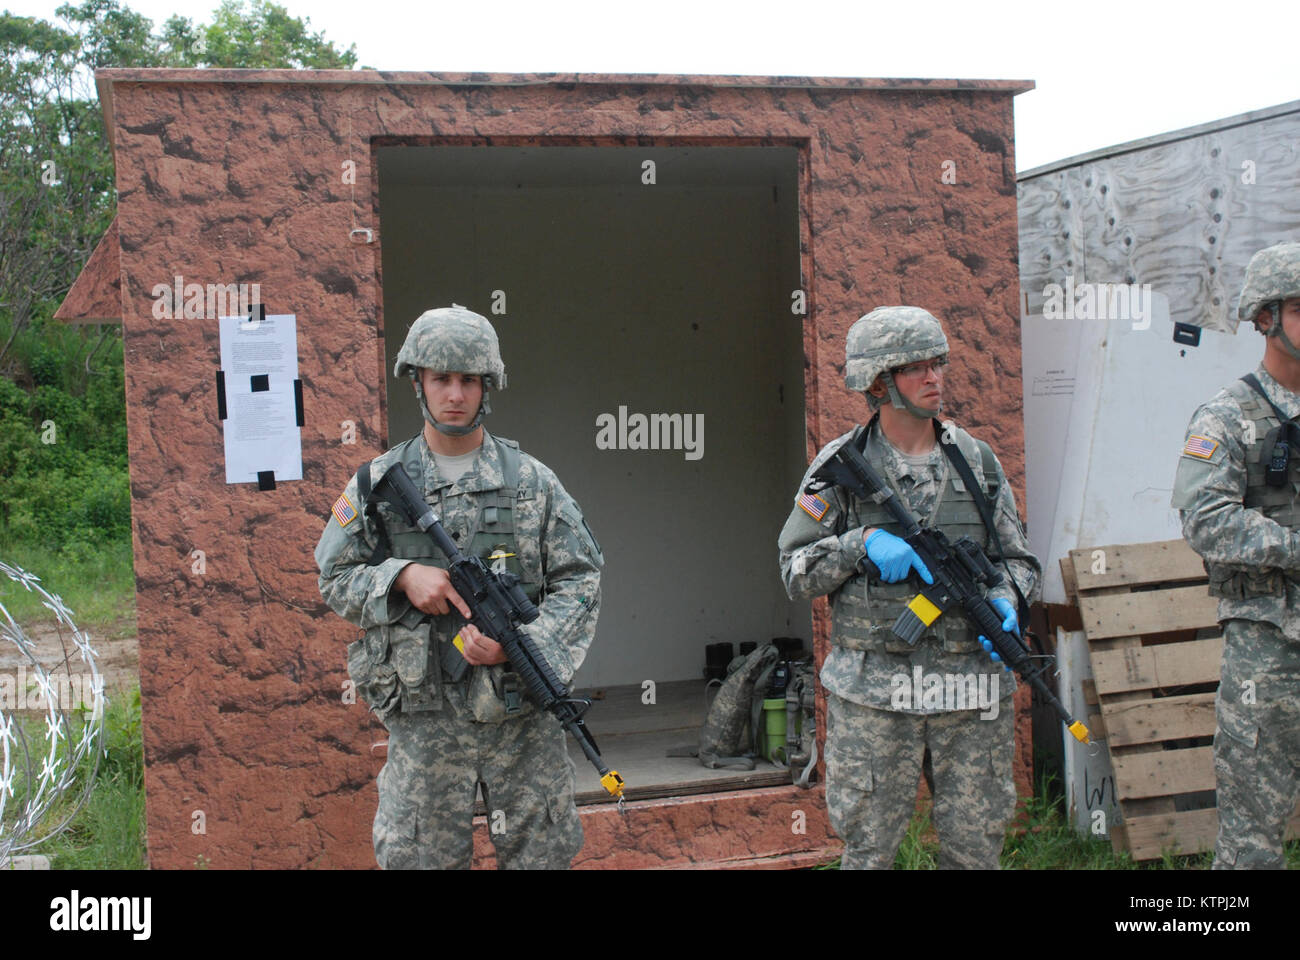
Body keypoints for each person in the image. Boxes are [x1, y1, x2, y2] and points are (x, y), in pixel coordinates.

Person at [315, 304, 604, 869]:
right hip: (425, 723)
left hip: (521, 722)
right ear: (418, 383)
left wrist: (524, 647)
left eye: (468, 380)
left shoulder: (532, 482)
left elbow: (581, 577)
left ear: (486, 386)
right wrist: (401, 576)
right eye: (441, 378)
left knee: (542, 857)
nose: (454, 394)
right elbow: (334, 576)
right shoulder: (377, 484)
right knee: (420, 859)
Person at [777, 305, 1040, 869]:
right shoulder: (840, 467)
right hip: (876, 697)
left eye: (938, 363)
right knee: (869, 854)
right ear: (879, 382)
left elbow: (1018, 561)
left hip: (970, 693)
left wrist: (1007, 599)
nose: (934, 377)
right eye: (916, 367)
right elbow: (794, 571)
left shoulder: (977, 462)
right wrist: (860, 544)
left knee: (976, 853)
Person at [1173, 241, 1300, 870]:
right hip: (1269, 651)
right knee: (1252, 846)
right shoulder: (1227, 416)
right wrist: (1294, 548)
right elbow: (1206, 519)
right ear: (1266, 319)